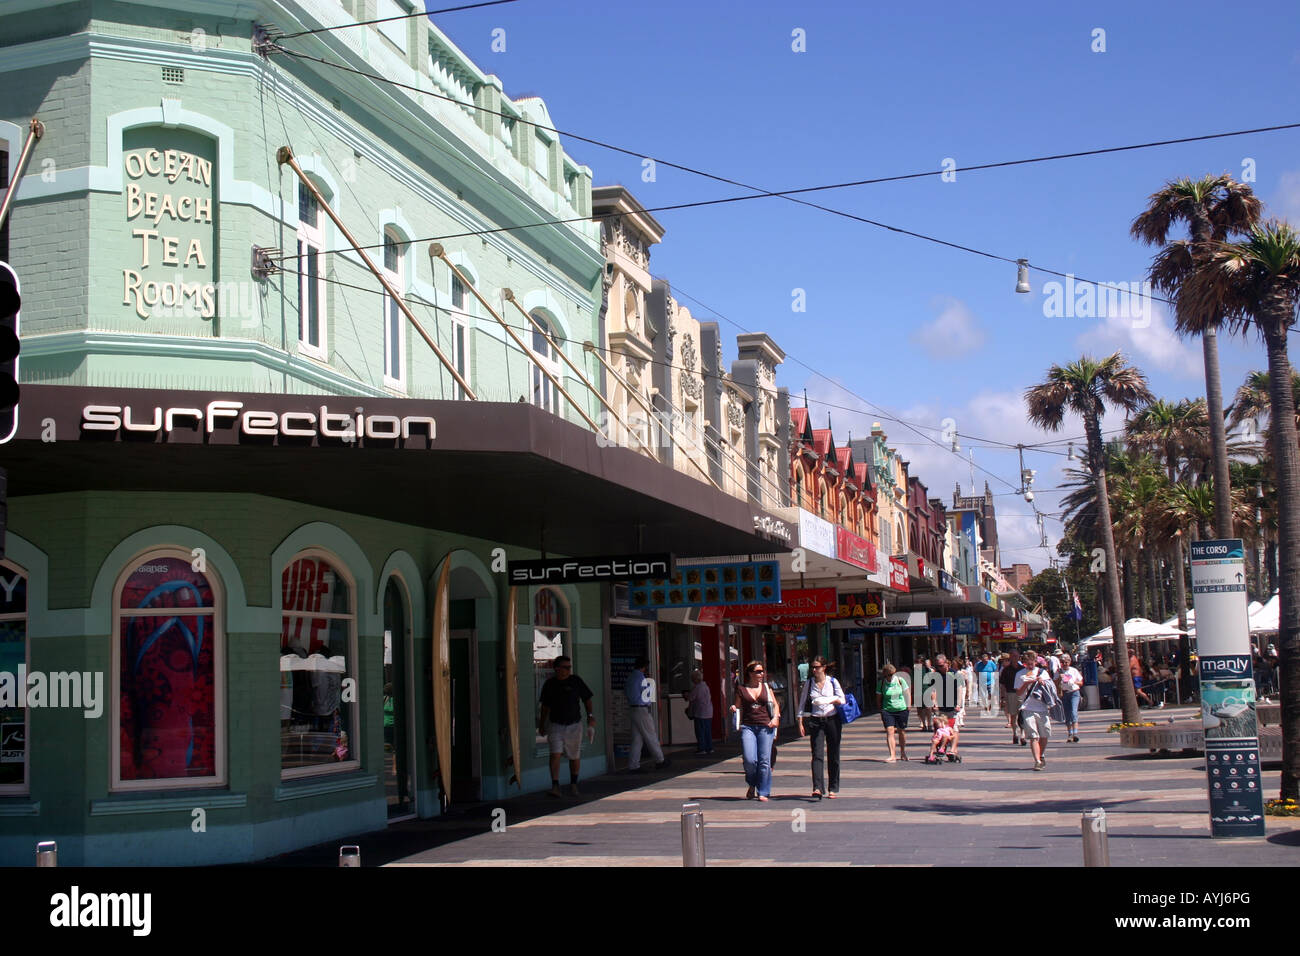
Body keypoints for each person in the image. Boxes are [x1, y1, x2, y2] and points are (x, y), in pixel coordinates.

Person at [537, 655, 596, 797]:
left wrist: (590, 717)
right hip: (555, 724)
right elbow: (545, 706)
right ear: (557, 668)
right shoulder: (549, 684)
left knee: (574, 755)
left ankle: (574, 784)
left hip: (574, 725)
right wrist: (542, 724)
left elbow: (587, 699)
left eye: (569, 667)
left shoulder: (575, 681)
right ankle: (555, 786)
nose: (568, 669)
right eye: (565, 667)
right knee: (555, 754)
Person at [730, 660, 779, 801]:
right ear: (750, 673)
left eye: (762, 671)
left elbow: (775, 705)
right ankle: (752, 783)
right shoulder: (741, 689)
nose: (761, 674)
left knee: (764, 760)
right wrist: (734, 708)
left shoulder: (766, 687)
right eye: (758, 671)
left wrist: (775, 719)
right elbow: (737, 706)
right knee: (749, 759)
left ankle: (763, 791)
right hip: (748, 727)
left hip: (765, 725)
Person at [797, 656, 846, 798]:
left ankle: (833, 787)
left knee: (833, 754)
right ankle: (817, 787)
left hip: (832, 719)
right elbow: (802, 702)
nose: (814, 670)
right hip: (816, 721)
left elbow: (842, 699)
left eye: (817, 667)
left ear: (823, 668)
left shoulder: (832, 681)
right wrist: (800, 721)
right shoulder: (809, 683)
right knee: (817, 754)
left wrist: (829, 699)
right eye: (812, 667)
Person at [626, 656, 669, 773]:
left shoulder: (630, 678)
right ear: (644, 667)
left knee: (637, 739)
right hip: (642, 709)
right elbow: (647, 696)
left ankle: (633, 765)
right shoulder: (641, 678)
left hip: (633, 709)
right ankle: (660, 760)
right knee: (651, 735)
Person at [1015, 654, 1053, 770]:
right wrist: (1026, 683)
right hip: (1027, 708)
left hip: (1042, 707)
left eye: (1032, 663)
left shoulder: (1043, 673)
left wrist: (1043, 682)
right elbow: (1018, 693)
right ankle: (1037, 761)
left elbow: (1050, 688)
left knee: (1044, 734)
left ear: (1036, 662)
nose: (1030, 666)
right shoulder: (1020, 674)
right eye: (1027, 664)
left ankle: (1041, 755)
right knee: (1033, 736)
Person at [877, 663, 910, 762]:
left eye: (893, 674)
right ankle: (892, 755)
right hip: (887, 710)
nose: (892, 676)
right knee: (889, 731)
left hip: (901, 709)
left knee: (901, 731)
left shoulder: (900, 680)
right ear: (885, 675)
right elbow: (878, 698)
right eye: (889, 675)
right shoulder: (881, 683)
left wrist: (908, 706)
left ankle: (903, 752)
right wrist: (881, 710)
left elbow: (907, 693)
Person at [685, 669, 714, 754]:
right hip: (708, 712)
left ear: (695, 679)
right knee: (707, 731)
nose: (692, 680)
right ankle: (709, 747)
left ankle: (701, 748)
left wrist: (687, 695)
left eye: (692, 678)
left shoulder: (697, 687)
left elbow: (691, 698)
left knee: (700, 731)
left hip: (700, 713)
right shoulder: (705, 686)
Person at [1056, 653, 1082, 743]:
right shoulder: (1059, 671)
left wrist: (1074, 682)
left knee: (1073, 712)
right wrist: (1059, 678)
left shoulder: (1074, 671)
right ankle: (1070, 734)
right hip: (1064, 694)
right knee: (1067, 714)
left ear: (1070, 662)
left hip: (1074, 693)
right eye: (1062, 662)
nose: (1065, 664)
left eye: (1066, 662)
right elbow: (1055, 683)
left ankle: (1075, 733)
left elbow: (1081, 682)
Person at [1000, 650, 1024, 745]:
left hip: (1021, 694)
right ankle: (1015, 733)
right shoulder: (1006, 670)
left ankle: (1023, 734)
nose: (1015, 658)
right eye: (1013, 656)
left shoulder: (1023, 669)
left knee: (1022, 716)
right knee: (1013, 715)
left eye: (1016, 656)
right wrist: (1003, 697)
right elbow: (1003, 685)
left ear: (1019, 657)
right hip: (1011, 694)